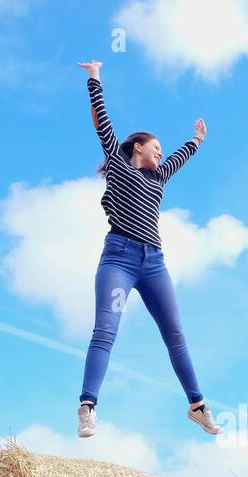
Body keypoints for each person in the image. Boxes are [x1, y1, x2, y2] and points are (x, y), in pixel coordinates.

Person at [75, 59, 222, 438]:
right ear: (137, 148)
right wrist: (95, 78)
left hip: (154, 264)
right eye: (155, 148)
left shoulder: (158, 177)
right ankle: (88, 405)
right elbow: (102, 124)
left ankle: (198, 405)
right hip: (119, 261)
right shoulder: (120, 166)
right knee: (106, 329)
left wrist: (197, 141)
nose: (160, 153)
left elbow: (181, 158)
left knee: (175, 334)